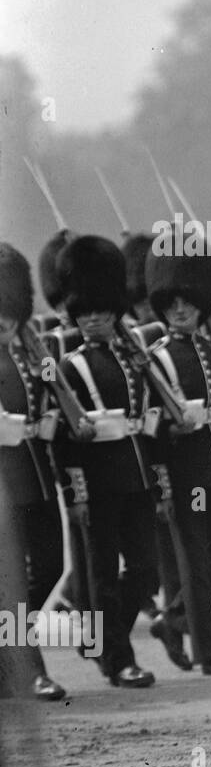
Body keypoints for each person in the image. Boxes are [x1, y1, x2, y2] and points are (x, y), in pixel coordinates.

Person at [53, 236, 164, 687]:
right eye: (85, 314)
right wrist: (74, 493)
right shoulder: (70, 367)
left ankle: (101, 636)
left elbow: (150, 415)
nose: (94, 320)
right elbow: (64, 439)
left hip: (136, 479)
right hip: (97, 483)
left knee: (145, 569)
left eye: (101, 311)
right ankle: (117, 658)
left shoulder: (134, 359)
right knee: (99, 576)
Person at [143, 244, 211, 676]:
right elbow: (149, 424)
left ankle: (174, 619)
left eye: (188, 303)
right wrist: (171, 435)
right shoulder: (158, 357)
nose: (181, 310)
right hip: (190, 477)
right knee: (200, 561)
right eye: (173, 304)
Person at [0, 243, 68, 700]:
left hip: (39, 475)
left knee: (51, 566)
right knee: (17, 579)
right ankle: (28, 669)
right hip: (5, 481)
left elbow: (54, 389)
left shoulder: (31, 349)